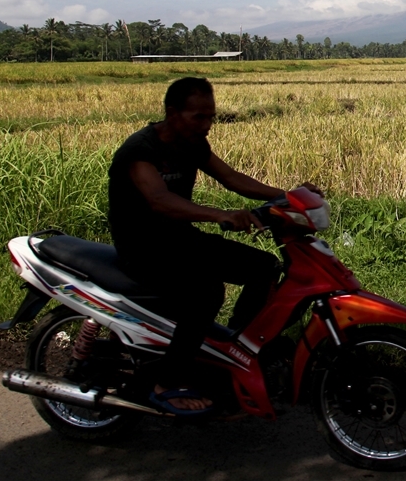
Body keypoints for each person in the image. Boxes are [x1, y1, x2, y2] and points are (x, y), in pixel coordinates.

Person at [108, 77, 300, 415]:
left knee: (264, 267)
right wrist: (220, 215)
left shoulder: (191, 144)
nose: (207, 125)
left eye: (211, 116)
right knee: (206, 292)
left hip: (180, 241)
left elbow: (232, 178)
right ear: (172, 113)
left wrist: (286, 196)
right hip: (144, 249)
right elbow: (158, 200)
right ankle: (165, 383)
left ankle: (235, 350)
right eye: (199, 117)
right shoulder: (140, 150)